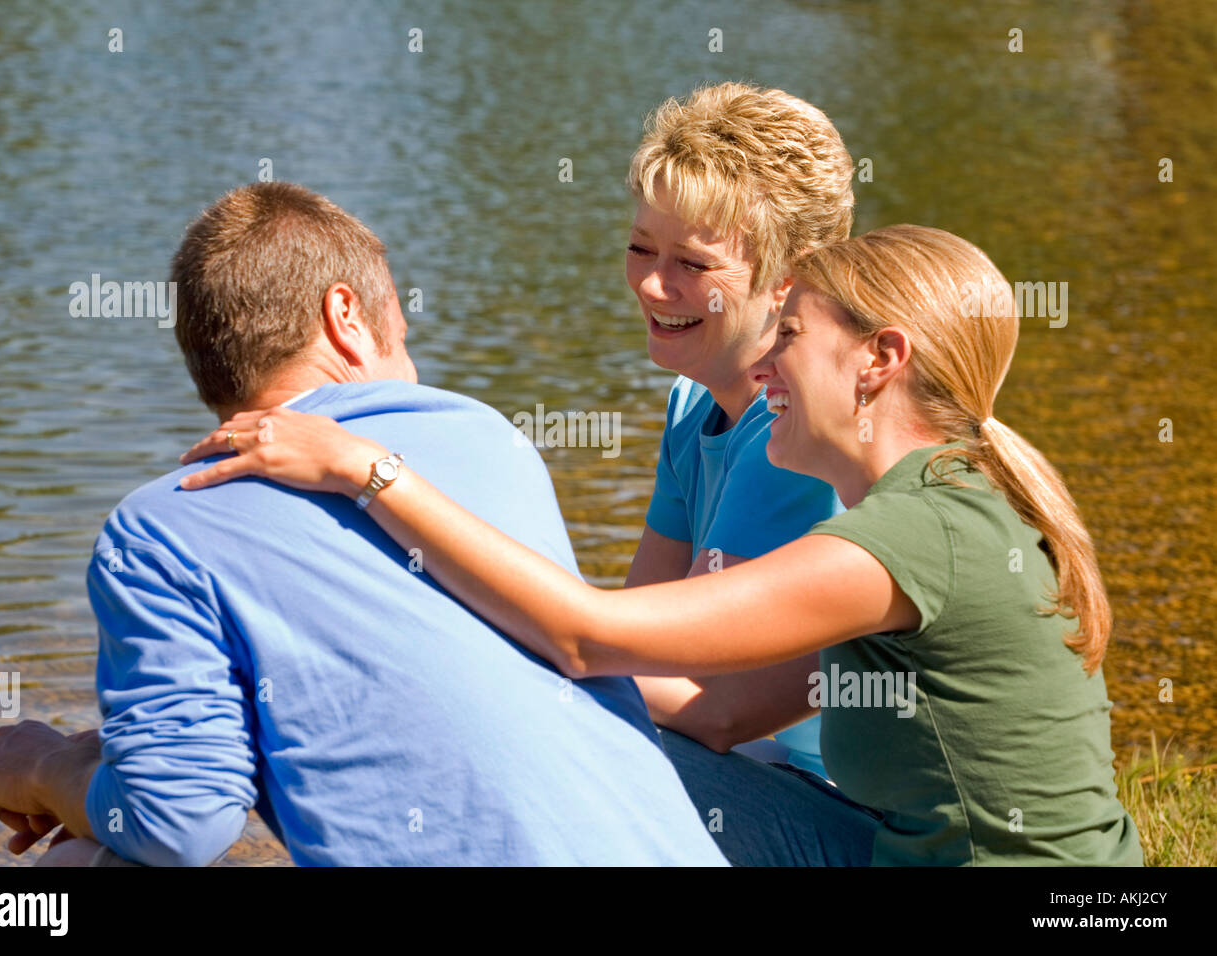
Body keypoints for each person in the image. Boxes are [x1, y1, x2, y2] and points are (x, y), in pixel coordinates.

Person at [180, 224, 1144, 866]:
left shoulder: (911, 533)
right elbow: (707, 708)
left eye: (791, 337)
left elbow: (591, 636)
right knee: (604, 751)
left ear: (879, 361)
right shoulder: (946, 504)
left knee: (589, 766)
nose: (761, 363)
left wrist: (367, 470)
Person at [0, 181, 727, 867]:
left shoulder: (161, 527)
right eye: (404, 320)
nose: (409, 346)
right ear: (346, 315)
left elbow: (179, 826)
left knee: (77, 871)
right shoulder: (488, 437)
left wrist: (47, 770)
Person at [623, 82, 852, 780]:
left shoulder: (792, 432)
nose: (654, 286)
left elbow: (709, 701)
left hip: (844, 806)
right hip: (766, 763)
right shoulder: (691, 402)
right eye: (641, 248)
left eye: (692, 264)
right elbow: (641, 628)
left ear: (790, 277)